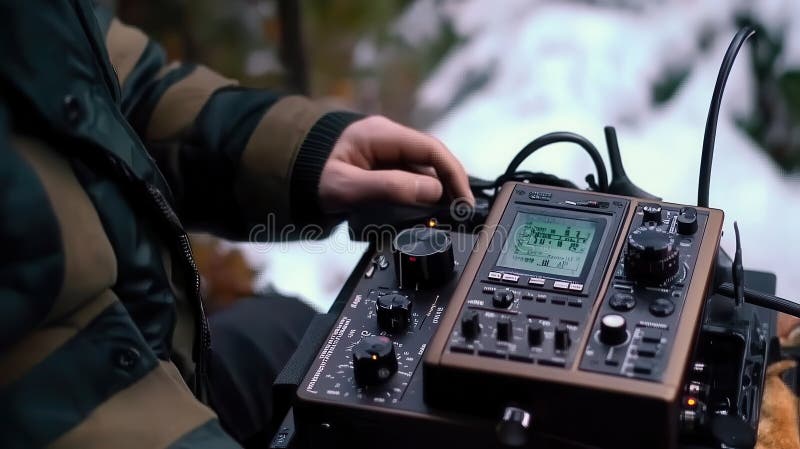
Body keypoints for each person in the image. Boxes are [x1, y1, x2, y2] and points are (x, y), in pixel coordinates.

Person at [0, 2, 474, 448]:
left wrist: (308, 150)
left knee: (296, 331)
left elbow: (119, 87)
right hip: (53, 409)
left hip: (157, 347)